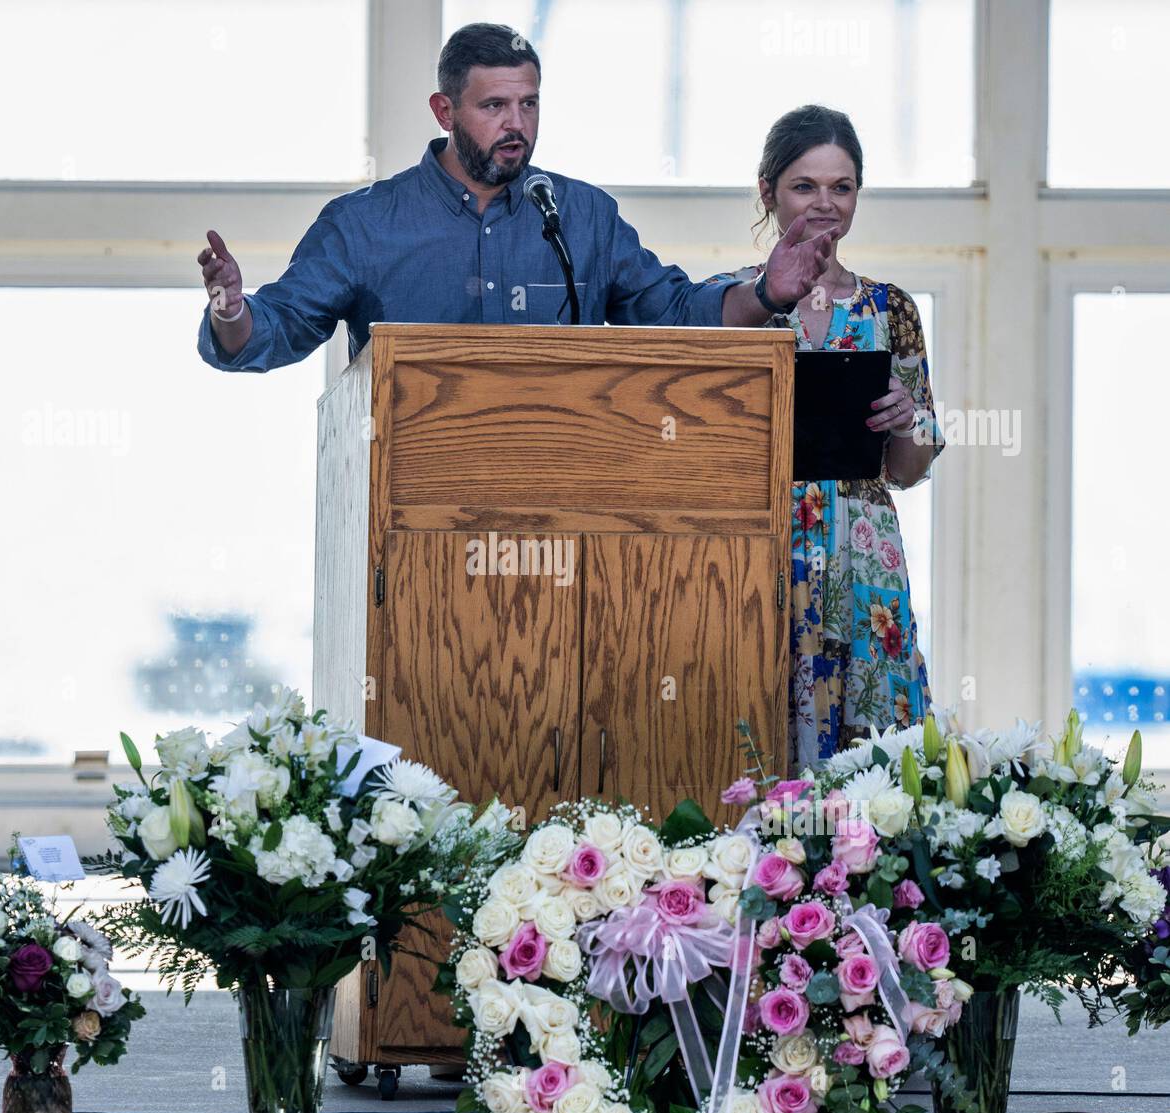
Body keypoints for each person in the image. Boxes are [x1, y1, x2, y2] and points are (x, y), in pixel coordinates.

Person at [197, 23, 834, 372]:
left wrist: (767, 294)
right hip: (413, 521)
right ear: (444, 110)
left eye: (529, 104)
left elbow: (670, 311)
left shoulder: (581, 217)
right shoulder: (365, 225)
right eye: (495, 105)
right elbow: (276, 329)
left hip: (565, 510)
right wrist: (232, 311)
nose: (517, 125)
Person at [706, 105, 947, 770]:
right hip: (757, 547)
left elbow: (907, 468)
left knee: (871, 765)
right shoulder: (731, 305)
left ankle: (862, 871)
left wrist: (907, 419)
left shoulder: (890, 307)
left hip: (860, 555)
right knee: (750, 726)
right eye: (805, 186)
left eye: (841, 187)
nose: (825, 203)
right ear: (768, 192)